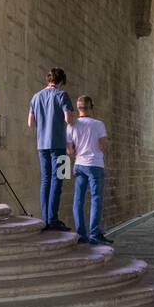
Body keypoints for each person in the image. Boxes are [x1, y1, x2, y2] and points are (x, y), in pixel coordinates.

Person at [27, 68, 76, 231]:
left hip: (42, 145)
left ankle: (45, 219)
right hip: (59, 145)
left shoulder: (36, 96)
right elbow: (68, 119)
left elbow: (30, 123)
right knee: (59, 180)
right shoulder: (62, 95)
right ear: (61, 81)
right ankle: (53, 219)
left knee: (46, 180)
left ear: (49, 80)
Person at [66, 95, 111, 246]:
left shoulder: (72, 125)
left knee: (78, 200)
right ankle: (94, 234)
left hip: (79, 164)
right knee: (96, 199)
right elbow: (104, 145)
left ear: (78, 108)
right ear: (91, 106)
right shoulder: (98, 124)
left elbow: (70, 150)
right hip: (95, 164)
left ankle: (81, 234)